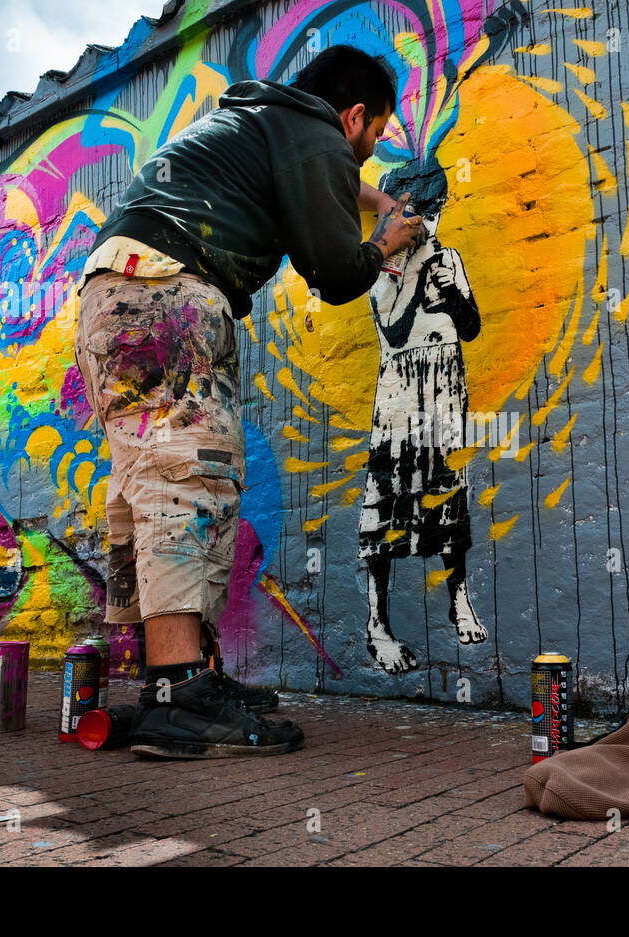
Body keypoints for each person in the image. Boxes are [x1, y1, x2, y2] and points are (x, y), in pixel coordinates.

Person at [73, 45, 424, 758]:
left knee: (151, 483)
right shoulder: (317, 134)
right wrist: (386, 237)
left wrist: (372, 196)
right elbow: (332, 269)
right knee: (184, 479)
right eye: (377, 132)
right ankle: (177, 693)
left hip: (117, 297)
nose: (373, 148)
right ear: (352, 115)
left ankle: (177, 682)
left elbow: (312, 176)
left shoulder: (263, 120)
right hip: (168, 297)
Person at [359, 165, 488, 675]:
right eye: (415, 211)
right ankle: (378, 624)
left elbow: (472, 326)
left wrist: (450, 295)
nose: (425, 223)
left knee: (447, 493)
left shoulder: (448, 257)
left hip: (445, 386)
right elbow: (392, 332)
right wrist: (418, 289)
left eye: (432, 212)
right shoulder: (383, 265)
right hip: (400, 394)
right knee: (387, 503)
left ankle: (459, 600)